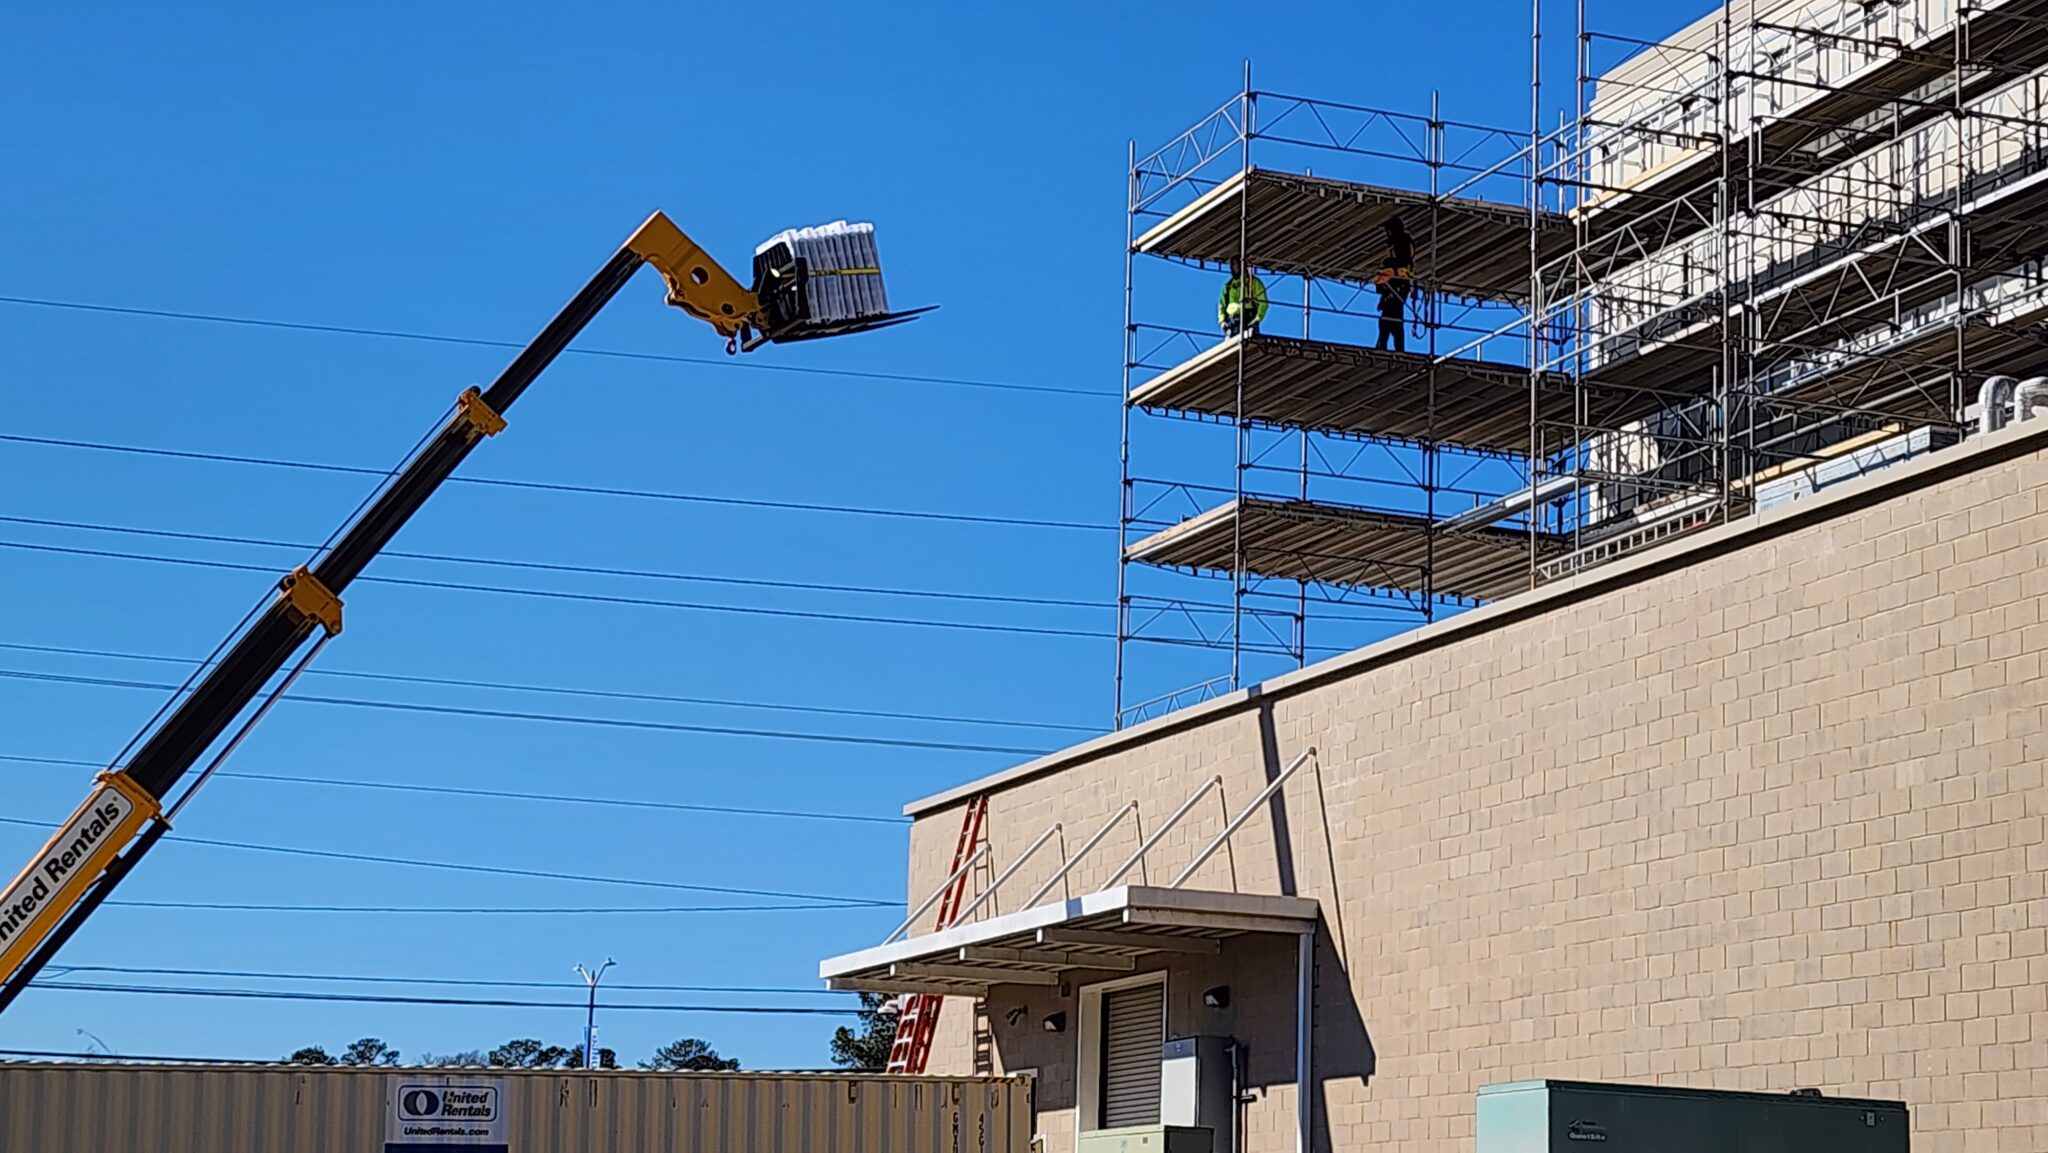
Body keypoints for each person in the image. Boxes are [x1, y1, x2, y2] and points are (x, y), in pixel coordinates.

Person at [1373, 216, 1416, 353]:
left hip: (1398, 287)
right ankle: (1383, 346)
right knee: (1386, 319)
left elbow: (1403, 267)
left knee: (1394, 319)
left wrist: (1388, 271)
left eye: (1388, 230)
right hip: (1392, 286)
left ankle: (1397, 350)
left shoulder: (1402, 243)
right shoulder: (1398, 243)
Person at [1218, 262, 1268, 337]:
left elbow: (1263, 303)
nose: (1235, 269)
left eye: (1237, 267)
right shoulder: (1228, 285)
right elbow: (1222, 305)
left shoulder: (1253, 282)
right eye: (1233, 267)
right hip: (1232, 321)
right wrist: (1222, 321)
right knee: (1233, 344)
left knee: (1248, 344)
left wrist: (1257, 319)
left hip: (1248, 318)